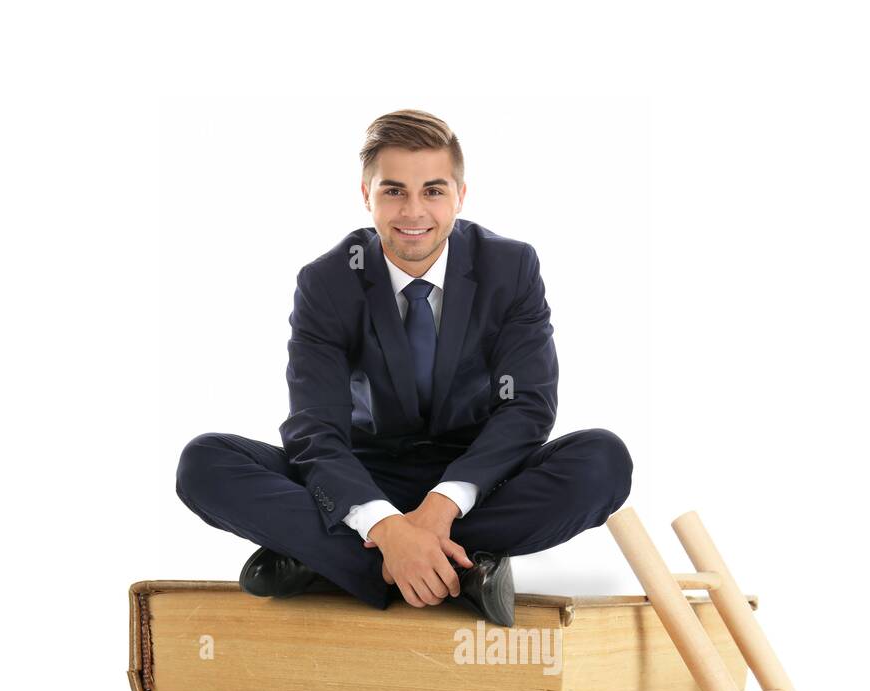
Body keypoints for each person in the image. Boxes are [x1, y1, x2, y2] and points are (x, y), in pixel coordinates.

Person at [175, 108, 633, 627]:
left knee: (602, 460)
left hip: (476, 483)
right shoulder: (327, 281)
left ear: (461, 195)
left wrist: (441, 506)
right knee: (205, 462)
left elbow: (526, 407)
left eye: (433, 191)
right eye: (393, 191)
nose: (413, 212)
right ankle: (455, 568)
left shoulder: (510, 267)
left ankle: (332, 564)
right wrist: (385, 526)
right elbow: (314, 426)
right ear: (365, 194)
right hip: (367, 476)